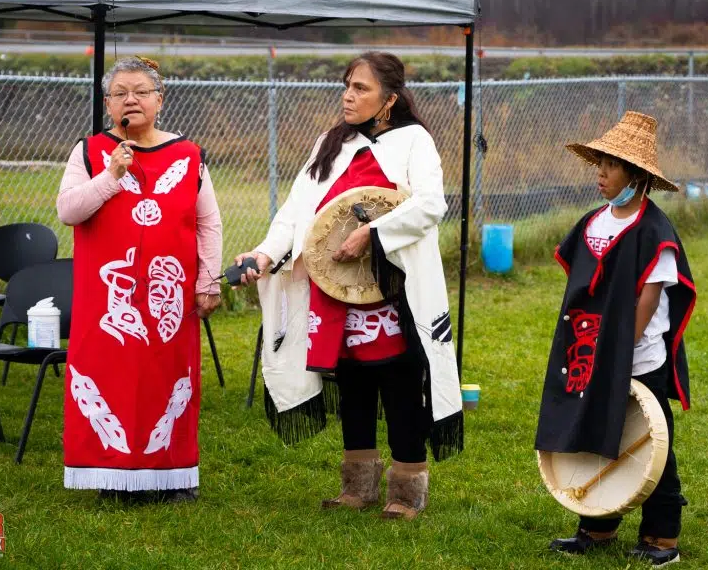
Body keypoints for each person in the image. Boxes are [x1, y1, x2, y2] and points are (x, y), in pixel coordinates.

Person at [233, 52, 463, 520]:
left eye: (361, 88)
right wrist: (264, 254)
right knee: (354, 381)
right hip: (336, 289)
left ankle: (407, 490)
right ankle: (357, 486)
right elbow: (296, 213)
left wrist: (373, 234)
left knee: (400, 384)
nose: (348, 95)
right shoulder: (331, 143)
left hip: (393, 290)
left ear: (389, 99)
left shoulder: (414, 141)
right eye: (347, 85)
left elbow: (431, 205)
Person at [56, 56, 223, 502]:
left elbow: (208, 223)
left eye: (141, 91)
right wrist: (112, 175)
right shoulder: (89, 151)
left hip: (167, 298)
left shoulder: (188, 155)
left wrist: (208, 280)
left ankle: (170, 476)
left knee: (166, 379)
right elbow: (69, 210)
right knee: (108, 377)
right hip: (109, 299)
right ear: (107, 102)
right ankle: (111, 475)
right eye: (120, 93)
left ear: (159, 100)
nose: (131, 100)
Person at [535, 111, 697, 566]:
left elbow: (647, 299)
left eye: (610, 165)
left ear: (637, 175)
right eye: (598, 163)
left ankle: (662, 537)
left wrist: (621, 353)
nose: (600, 173)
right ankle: (597, 525)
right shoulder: (593, 223)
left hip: (640, 359)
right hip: (589, 354)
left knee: (648, 440)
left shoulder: (653, 230)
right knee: (592, 431)